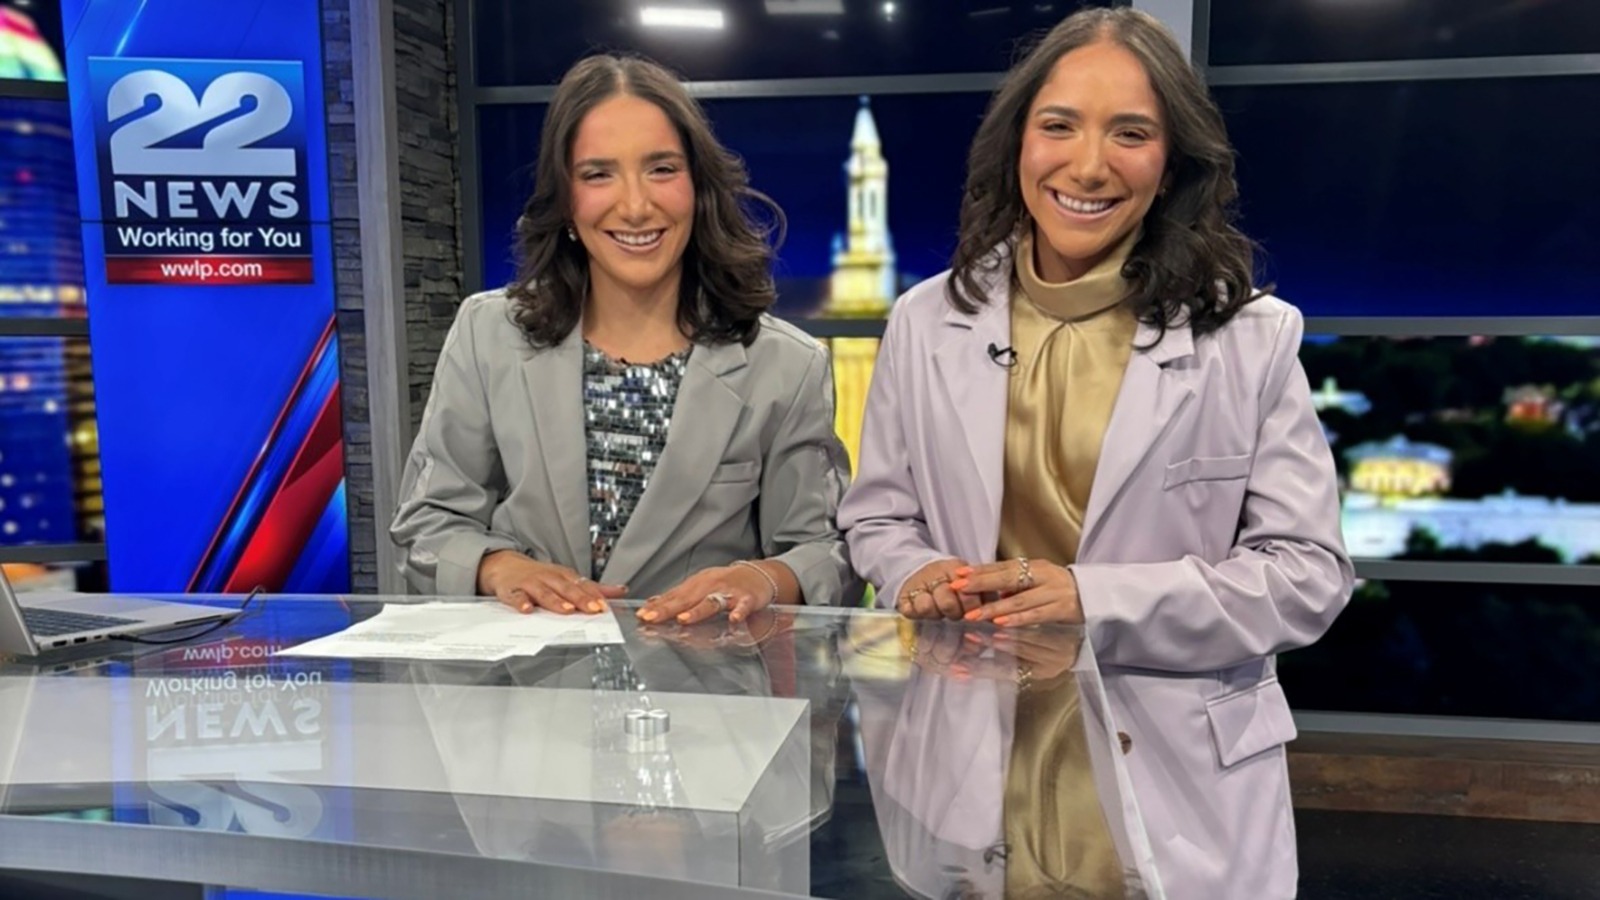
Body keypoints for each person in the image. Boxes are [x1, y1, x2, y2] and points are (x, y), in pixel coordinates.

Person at [837, 8, 1353, 897]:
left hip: (1177, 779)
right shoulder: (927, 321)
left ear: (1172, 164)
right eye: (1059, 125)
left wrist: (1089, 598)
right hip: (974, 757)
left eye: (1131, 133)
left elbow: (1307, 575)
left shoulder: (1251, 339)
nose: (1087, 165)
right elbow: (879, 514)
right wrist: (916, 570)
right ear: (1017, 143)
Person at [392, 54, 856, 624]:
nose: (636, 206)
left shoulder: (785, 364)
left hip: (707, 697)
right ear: (565, 199)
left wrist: (758, 578)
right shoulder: (487, 334)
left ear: (698, 188)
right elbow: (426, 525)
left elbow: (831, 556)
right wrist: (498, 566)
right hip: (523, 696)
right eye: (597, 174)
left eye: (662, 169)